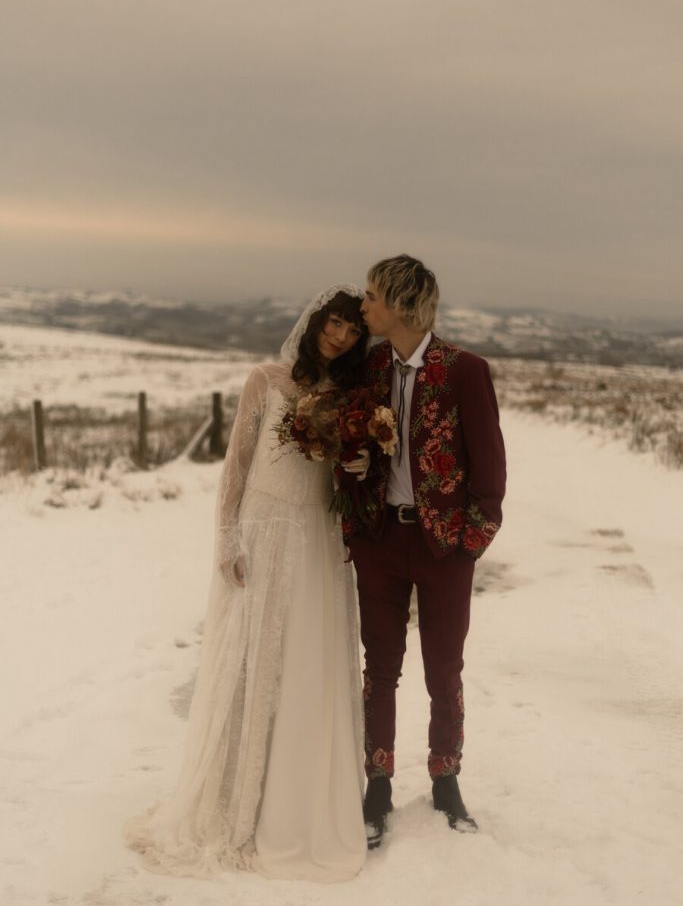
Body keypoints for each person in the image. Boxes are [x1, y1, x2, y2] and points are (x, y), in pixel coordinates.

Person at [124, 285, 369, 882]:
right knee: (253, 658)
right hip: (263, 526)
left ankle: (294, 801)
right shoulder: (266, 379)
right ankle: (237, 799)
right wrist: (227, 536)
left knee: (306, 660)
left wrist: (360, 462)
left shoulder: (352, 398)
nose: (339, 335)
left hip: (317, 535)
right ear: (315, 323)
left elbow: (353, 471)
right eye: (333, 323)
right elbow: (236, 462)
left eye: (352, 330)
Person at [342, 255, 506, 846]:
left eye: (371, 297)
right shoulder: (366, 368)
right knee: (378, 668)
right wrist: (355, 492)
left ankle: (446, 778)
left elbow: (490, 474)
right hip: (380, 540)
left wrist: (468, 544)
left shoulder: (465, 371)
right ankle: (378, 781)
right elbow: (351, 447)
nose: (363, 307)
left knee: (444, 669)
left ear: (401, 304)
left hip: (444, 550)